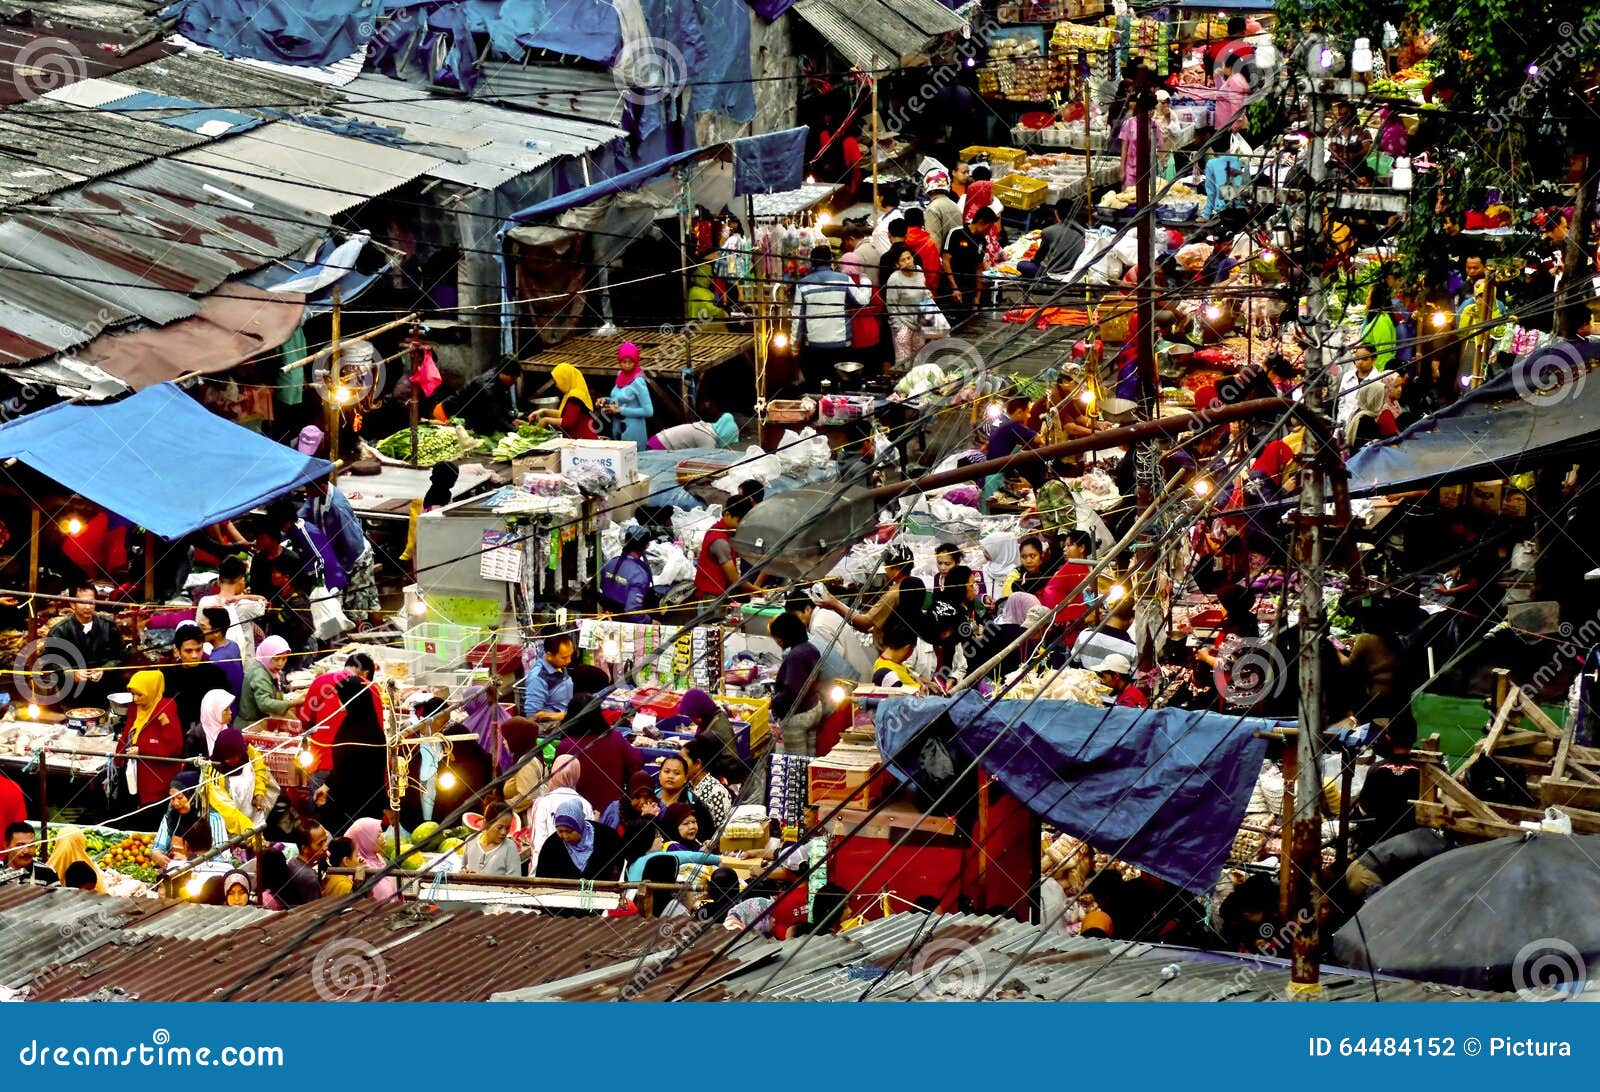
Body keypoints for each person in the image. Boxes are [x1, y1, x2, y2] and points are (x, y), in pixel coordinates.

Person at [316, 653, 388, 830]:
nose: (340, 701)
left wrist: (328, 787)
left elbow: (346, 770)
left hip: (348, 807)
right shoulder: (372, 729)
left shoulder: (352, 731)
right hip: (370, 809)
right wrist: (327, 785)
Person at [299, 477, 378, 626]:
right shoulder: (314, 498)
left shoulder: (338, 506)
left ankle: (364, 639)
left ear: (321, 486)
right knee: (359, 601)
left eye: (309, 488)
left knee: (357, 606)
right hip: (338, 556)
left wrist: (341, 569)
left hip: (356, 559)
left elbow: (352, 543)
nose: (306, 492)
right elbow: (301, 517)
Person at [791, 244, 870, 391]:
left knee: (817, 384)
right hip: (840, 344)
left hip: (814, 346)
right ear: (831, 261)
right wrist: (865, 281)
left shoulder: (803, 284)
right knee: (839, 386)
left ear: (812, 262)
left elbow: (797, 319)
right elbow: (862, 301)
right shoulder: (844, 279)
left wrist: (794, 346)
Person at [819, 544, 925, 650]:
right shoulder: (916, 583)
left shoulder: (894, 594)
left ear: (896, 568)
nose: (885, 570)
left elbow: (865, 623)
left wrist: (834, 603)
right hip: (907, 642)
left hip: (892, 649)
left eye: (886, 566)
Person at [42, 581, 126, 709]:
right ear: (72, 604)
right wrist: (71, 673)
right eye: (82, 602)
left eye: (91, 602)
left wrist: (105, 668)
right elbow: (49, 661)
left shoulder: (109, 626)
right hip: (74, 695)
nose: (88, 607)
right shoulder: (60, 630)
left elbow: (121, 655)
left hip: (106, 690)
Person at [115, 669, 185, 820]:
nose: (135, 699)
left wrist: (143, 749)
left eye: (139, 694)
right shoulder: (135, 708)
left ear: (151, 690)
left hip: (156, 779)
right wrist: (117, 760)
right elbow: (128, 731)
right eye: (133, 694)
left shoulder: (166, 709)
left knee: (152, 817)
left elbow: (174, 747)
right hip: (133, 773)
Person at [556, 699, 644, 817]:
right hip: (613, 813)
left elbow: (558, 786)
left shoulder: (565, 745)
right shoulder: (615, 737)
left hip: (576, 815)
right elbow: (637, 761)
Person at [165, 622, 230, 753]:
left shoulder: (216, 675)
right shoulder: (167, 676)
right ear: (177, 651)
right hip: (177, 738)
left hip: (209, 740)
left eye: (198, 650)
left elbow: (225, 710)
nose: (194, 655)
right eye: (188, 651)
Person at [533, 796, 627, 882]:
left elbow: (618, 868)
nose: (565, 836)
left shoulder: (606, 837)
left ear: (579, 825)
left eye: (569, 831)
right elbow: (543, 880)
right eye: (560, 831)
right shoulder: (551, 846)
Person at [770, 611, 824, 757]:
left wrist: (773, 702)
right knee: (810, 758)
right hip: (813, 708)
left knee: (797, 762)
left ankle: (804, 781)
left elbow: (792, 691)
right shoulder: (811, 649)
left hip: (798, 715)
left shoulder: (795, 656)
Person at [194, 555, 267, 660]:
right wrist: (242, 596)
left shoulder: (204, 601)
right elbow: (264, 601)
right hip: (240, 662)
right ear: (242, 580)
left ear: (219, 580)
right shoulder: (247, 605)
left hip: (209, 658)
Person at [150, 771, 227, 869]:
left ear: (193, 795)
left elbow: (221, 857)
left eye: (179, 797)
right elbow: (157, 848)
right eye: (172, 798)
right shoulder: (170, 817)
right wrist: (157, 854)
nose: (176, 803)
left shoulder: (212, 818)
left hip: (206, 873)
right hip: (176, 874)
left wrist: (189, 860)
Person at [693, 490, 756, 598]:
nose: (741, 526)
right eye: (738, 521)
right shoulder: (719, 540)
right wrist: (759, 591)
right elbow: (734, 578)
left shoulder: (728, 533)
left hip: (723, 592)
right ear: (727, 514)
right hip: (712, 596)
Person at [435, 358, 522, 435]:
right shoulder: (487, 387)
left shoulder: (498, 377)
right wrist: (515, 430)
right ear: (504, 374)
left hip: (465, 417)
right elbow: (495, 416)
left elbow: (502, 405)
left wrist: (511, 419)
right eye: (513, 378)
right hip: (447, 415)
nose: (514, 382)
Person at [530, 754, 593, 859]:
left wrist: (535, 872)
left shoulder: (543, 803)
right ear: (577, 774)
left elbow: (538, 844)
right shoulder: (585, 804)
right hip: (577, 869)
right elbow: (588, 843)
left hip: (547, 868)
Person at [675, 690, 746, 783]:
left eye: (693, 716)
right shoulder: (715, 715)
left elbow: (730, 760)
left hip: (725, 776)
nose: (693, 720)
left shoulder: (715, 730)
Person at [943, 206, 997, 327]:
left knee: (967, 323)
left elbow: (979, 268)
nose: (989, 230)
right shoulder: (956, 233)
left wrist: (977, 296)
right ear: (981, 222)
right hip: (952, 285)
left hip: (969, 288)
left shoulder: (982, 241)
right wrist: (954, 288)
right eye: (989, 226)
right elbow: (946, 261)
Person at [884, 248, 934, 367]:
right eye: (903, 260)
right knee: (903, 361)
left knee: (919, 358)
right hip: (903, 323)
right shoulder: (894, 279)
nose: (908, 262)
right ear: (897, 264)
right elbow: (891, 304)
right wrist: (898, 326)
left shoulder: (919, 271)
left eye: (909, 258)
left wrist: (927, 293)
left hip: (919, 322)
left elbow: (922, 288)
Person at [240, 634, 302, 725]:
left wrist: (295, 695)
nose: (280, 664)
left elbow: (273, 693)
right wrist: (292, 703)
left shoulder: (269, 668)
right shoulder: (259, 674)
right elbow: (265, 703)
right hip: (251, 724)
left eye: (284, 659)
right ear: (267, 655)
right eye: (276, 659)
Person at [530, 363, 601, 440]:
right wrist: (543, 411)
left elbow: (568, 422)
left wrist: (546, 420)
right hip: (580, 439)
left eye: (557, 381)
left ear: (565, 378)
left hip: (584, 440)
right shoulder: (572, 393)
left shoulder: (575, 396)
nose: (556, 385)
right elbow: (565, 414)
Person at [597, 526, 654, 621]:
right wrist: (649, 621)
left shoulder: (611, 563)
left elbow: (603, 587)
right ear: (646, 546)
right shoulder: (640, 574)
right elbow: (632, 610)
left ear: (626, 542)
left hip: (607, 617)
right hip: (625, 623)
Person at [604, 342, 653, 449]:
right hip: (618, 431)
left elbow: (648, 411)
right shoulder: (619, 375)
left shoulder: (638, 381)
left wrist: (621, 410)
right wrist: (606, 400)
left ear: (635, 362)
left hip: (633, 433)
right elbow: (618, 399)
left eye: (630, 362)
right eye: (624, 362)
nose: (627, 365)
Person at [681, 735, 733, 829]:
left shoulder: (717, 793)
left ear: (697, 764)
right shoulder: (686, 786)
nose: (679, 765)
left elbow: (720, 832)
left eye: (683, 761)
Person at [199, 605, 244, 713]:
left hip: (225, 712)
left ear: (216, 632)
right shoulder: (232, 645)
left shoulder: (216, 662)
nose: (199, 631)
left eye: (203, 628)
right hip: (237, 704)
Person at [522, 632, 575, 722]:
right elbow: (532, 716)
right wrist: (565, 716)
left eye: (570, 655)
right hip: (551, 729)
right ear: (550, 656)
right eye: (564, 657)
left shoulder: (559, 666)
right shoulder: (538, 679)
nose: (569, 660)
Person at [345, 817, 399, 902]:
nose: (383, 837)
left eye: (382, 833)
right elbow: (357, 890)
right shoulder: (358, 862)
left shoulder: (378, 857)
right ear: (364, 840)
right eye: (378, 835)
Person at [465, 800, 522, 876]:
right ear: (486, 823)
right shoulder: (470, 841)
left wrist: (484, 879)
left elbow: (515, 881)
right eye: (499, 827)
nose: (504, 832)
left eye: (507, 828)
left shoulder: (510, 847)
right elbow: (463, 868)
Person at [1032, 199, 1085, 277]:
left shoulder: (1049, 231)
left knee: (1022, 265)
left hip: (1051, 274)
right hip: (1072, 273)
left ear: (1056, 212)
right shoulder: (1082, 231)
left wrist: (1032, 259)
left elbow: (1038, 257)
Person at [923, 169, 964, 270]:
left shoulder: (932, 208)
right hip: (957, 259)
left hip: (944, 263)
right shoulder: (955, 206)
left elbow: (934, 240)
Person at [648, 412, 740, 451]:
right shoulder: (708, 438)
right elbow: (706, 460)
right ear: (725, 436)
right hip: (660, 446)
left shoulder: (706, 427)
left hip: (656, 439)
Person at [901, 206, 941, 293]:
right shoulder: (929, 243)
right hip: (925, 291)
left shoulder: (901, 240)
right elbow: (933, 272)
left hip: (903, 290)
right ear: (922, 222)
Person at [872, 623, 924, 690]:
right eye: (912, 649)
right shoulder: (892, 671)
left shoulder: (891, 662)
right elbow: (921, 693)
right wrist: (922, 686)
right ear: (907, 648)